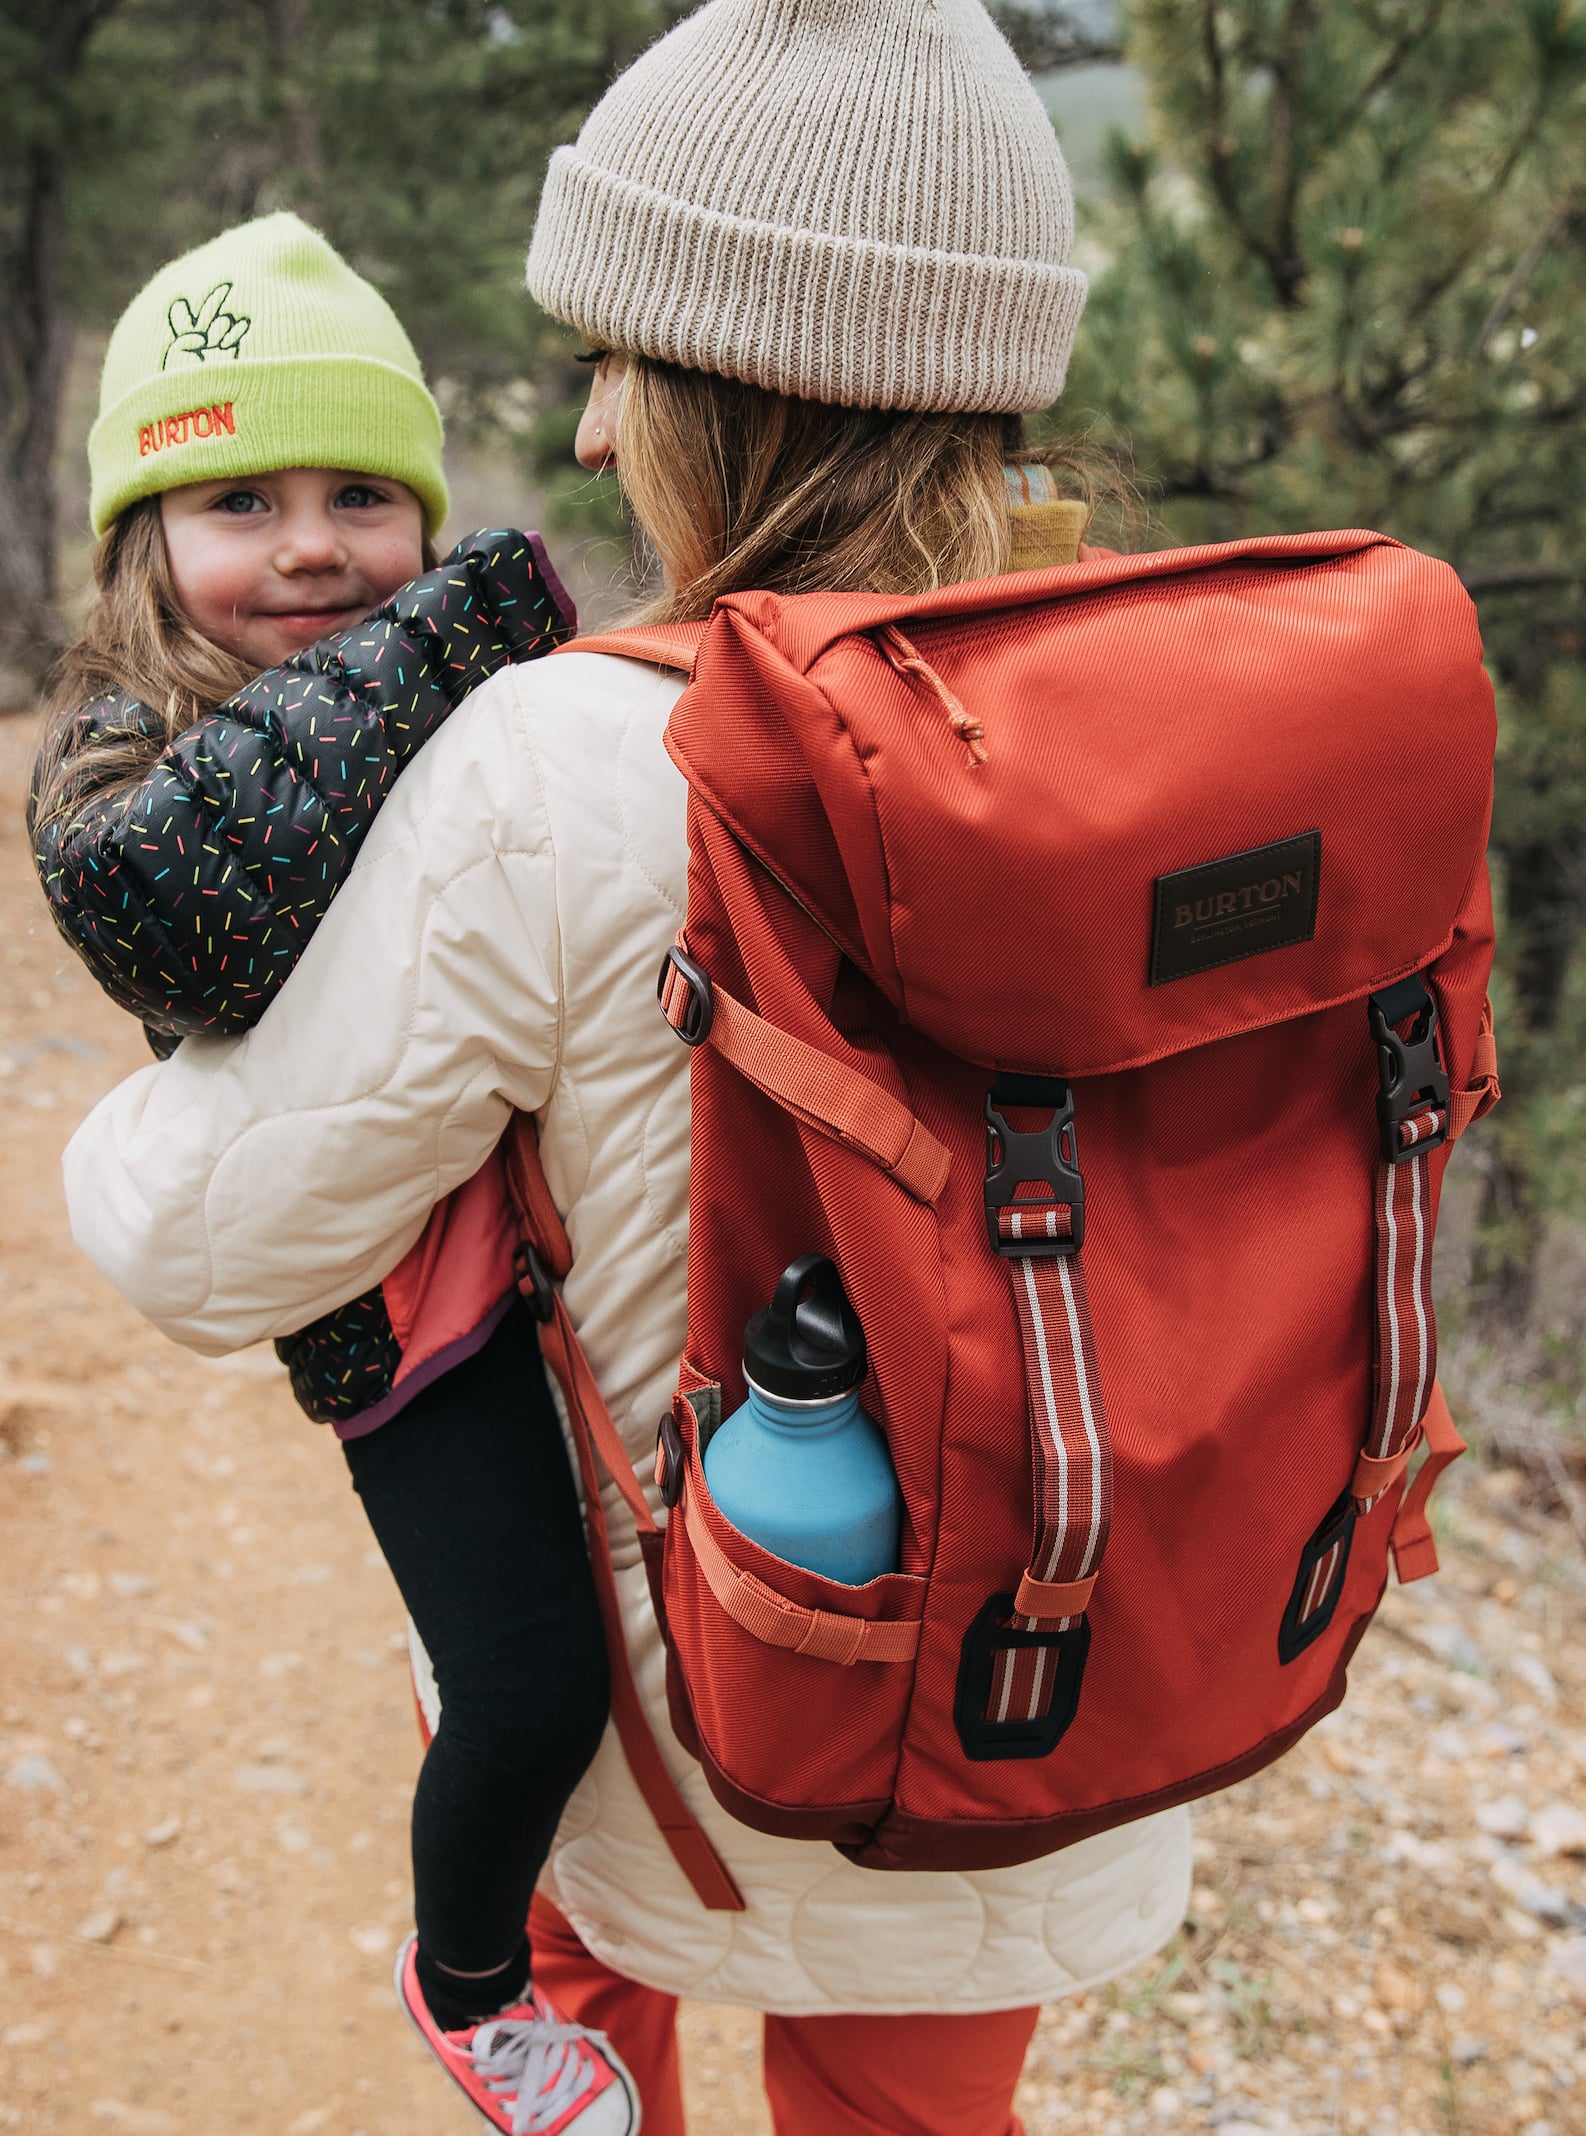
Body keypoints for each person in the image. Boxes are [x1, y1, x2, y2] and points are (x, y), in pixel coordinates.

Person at [62, 7, 1193, 2132]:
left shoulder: (575, 753)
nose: (585, 437)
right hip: (1070, 1682)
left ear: (721, 382)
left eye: (617, 365)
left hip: (698, 1714)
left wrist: (111, 1138)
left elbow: (216, 1241)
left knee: (589, 2031)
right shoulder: (1161, 699)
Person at [31, 212, 639, 2136]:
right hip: (390, 1294)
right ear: (146, 538)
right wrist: (456, 621)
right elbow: (180, 914)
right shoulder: (113, 750)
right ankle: (474, 1987)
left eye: (366, 493)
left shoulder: (452, 692)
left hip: (583, 1227)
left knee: (674, 1642)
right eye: (242, 498)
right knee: (533, 1682)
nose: (312, 543)